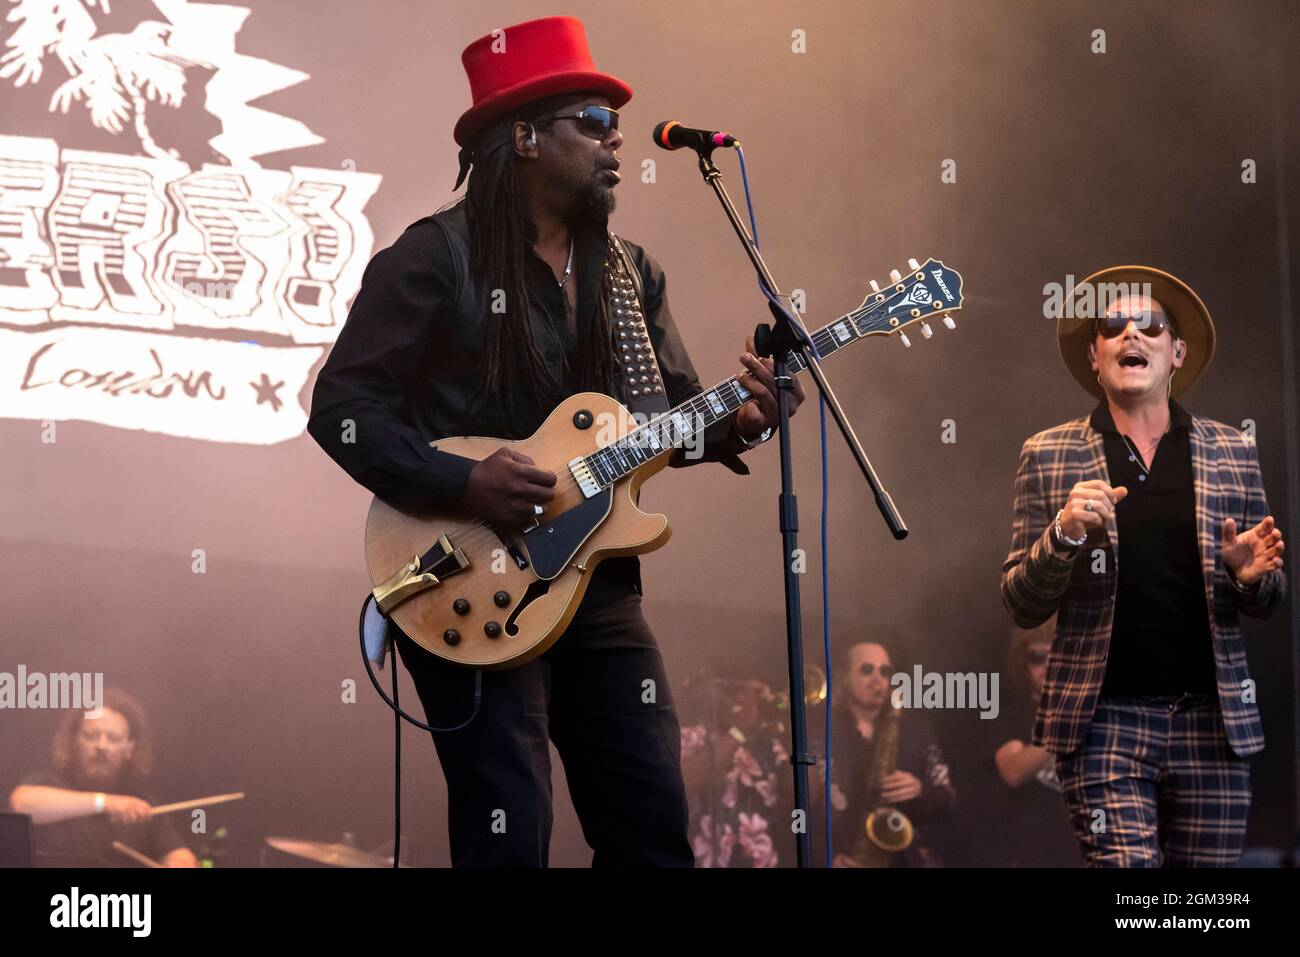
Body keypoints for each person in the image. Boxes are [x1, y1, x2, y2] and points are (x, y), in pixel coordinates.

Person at [308, 16, 803, 867]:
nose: (616, 144)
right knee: (510, 824)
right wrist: (459, 483)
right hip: (469, 574)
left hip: (599, 584)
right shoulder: (433, 260)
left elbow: (668, 420)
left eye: (616, 125)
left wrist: (742, 419)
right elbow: (342, 407)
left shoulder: (627, 271)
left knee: (651, 823)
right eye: (596, 123)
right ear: (527, 137)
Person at [1000, 266, 1286, 867]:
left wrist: (1248, 576)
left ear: (1176, 352)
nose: (1132, 334)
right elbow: (1022, 601)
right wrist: (1063, 534)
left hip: (1212, 724)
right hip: (1104, 721)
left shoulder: (1232, 450)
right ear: (1095, 356)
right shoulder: (1049, 453)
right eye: (1113, 326)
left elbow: (1268, 597)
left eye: (1149, 325)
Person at [8, 689, 198, 868]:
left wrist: (180, 862)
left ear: (130, 749)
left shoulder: (143, 806)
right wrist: (105, 803)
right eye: (91, 736)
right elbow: (21, 804)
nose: (101, 746)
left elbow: (180, 854)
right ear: (73, 741)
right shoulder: (48, 784)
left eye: (114, 738)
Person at [816, 640, 955, 867]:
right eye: (866, 669)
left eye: (885, 671)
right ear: (844, 677)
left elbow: (947, 800)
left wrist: (920, 790)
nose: (877, 679)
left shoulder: (916, 728)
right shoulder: (820, 733)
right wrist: (827, 857)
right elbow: (800, 811)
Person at [992, 618, 1080, 866]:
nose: (1049, 665)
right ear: (1024, 665)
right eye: (1038, 658)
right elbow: (1012, 771)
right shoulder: (1013, 713)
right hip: (1037, 856)